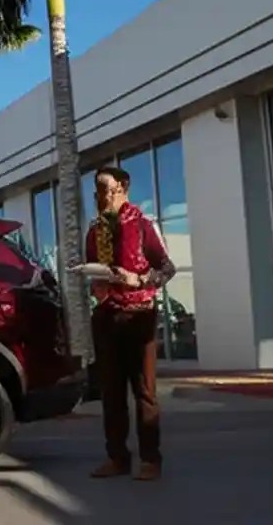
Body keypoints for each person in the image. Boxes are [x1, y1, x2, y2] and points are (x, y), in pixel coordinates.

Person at [85, 165, 176, 482]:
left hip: (139, 315)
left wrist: (137, 279)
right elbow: (94, 271)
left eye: (104, 188)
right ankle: (117, 457)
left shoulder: (142, 225)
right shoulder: (96, 230)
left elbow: (167, 268)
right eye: (96, 190)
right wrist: (96, 286)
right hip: (107, 315)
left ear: (123, 187)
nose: (99, 196)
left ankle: (151, 459)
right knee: (110, 392)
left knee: (144, 391)